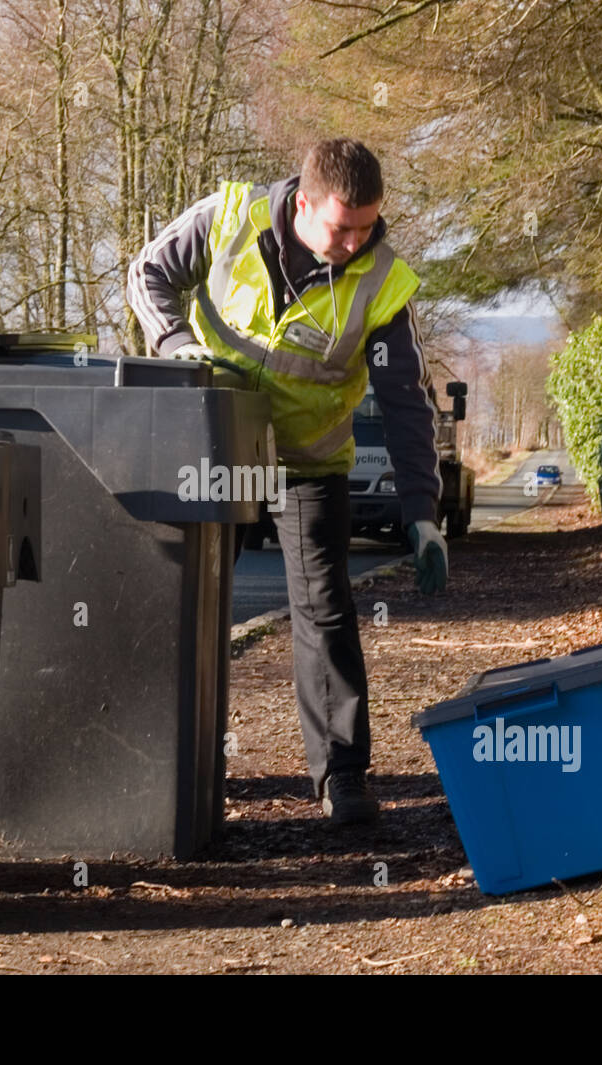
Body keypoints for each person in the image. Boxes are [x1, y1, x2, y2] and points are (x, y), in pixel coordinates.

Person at [126, 138, 448, 824]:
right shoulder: (229, 217)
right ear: (303, 203)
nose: (356, 242)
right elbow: (148, 273)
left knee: (325, 609)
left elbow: (405, 401)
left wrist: (421, 513)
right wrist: (182, 357)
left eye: (368, 226)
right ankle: (166, 765)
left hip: (310, 464)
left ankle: (342, 778)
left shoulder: (382, 282)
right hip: (215, 452)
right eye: (342, 227)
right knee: (190, 604)